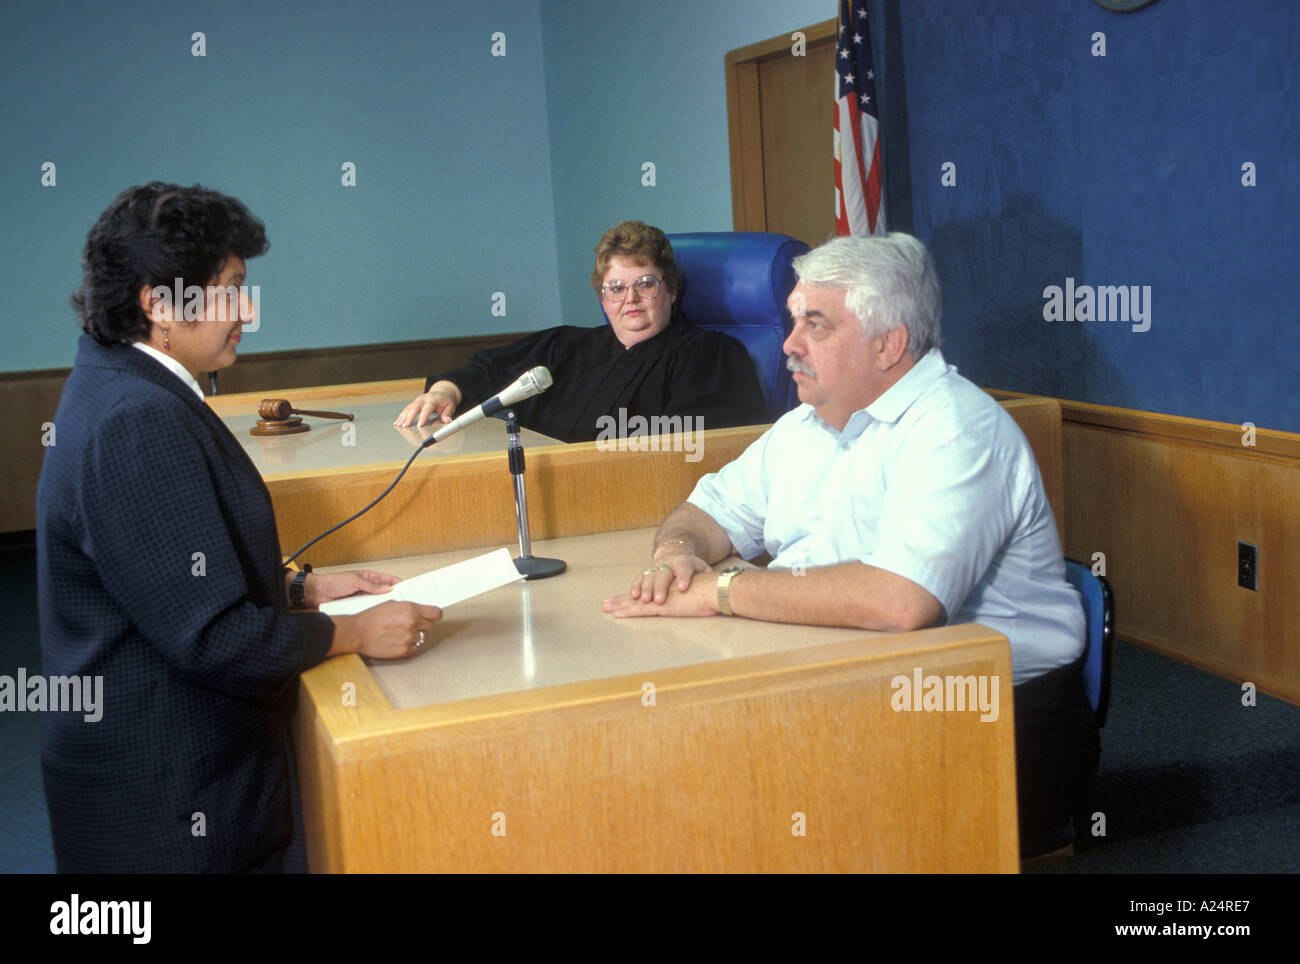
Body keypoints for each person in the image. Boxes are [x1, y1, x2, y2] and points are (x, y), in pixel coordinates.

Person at [602, 232, 1099, 859]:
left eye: (816, 324)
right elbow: (707, 509)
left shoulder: (955, 430)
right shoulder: (805, 425)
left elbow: (899, 602)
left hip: (987, 724)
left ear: (888, 343)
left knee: (738, 814)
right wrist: (677, 552)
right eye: (791, 322)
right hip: (856, 687)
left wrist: (722, 591)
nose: (788, 344)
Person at [37, 183, 441, 873]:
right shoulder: (137, 419)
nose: (247, 312)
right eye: (229, 291)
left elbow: (161, 574)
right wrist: (353, 632)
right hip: (167, 799)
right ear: (158, 303)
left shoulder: (118, 383)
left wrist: (298, 592)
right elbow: (210, 636)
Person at [393, 220, 770, 441]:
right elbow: (487, 373)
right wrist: (445, 391)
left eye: (646, 284)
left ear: (671, 290)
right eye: (617, 288)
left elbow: (701, 447)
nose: (631, 299)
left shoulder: (710, 355)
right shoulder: (564, 346)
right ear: (602, 298)